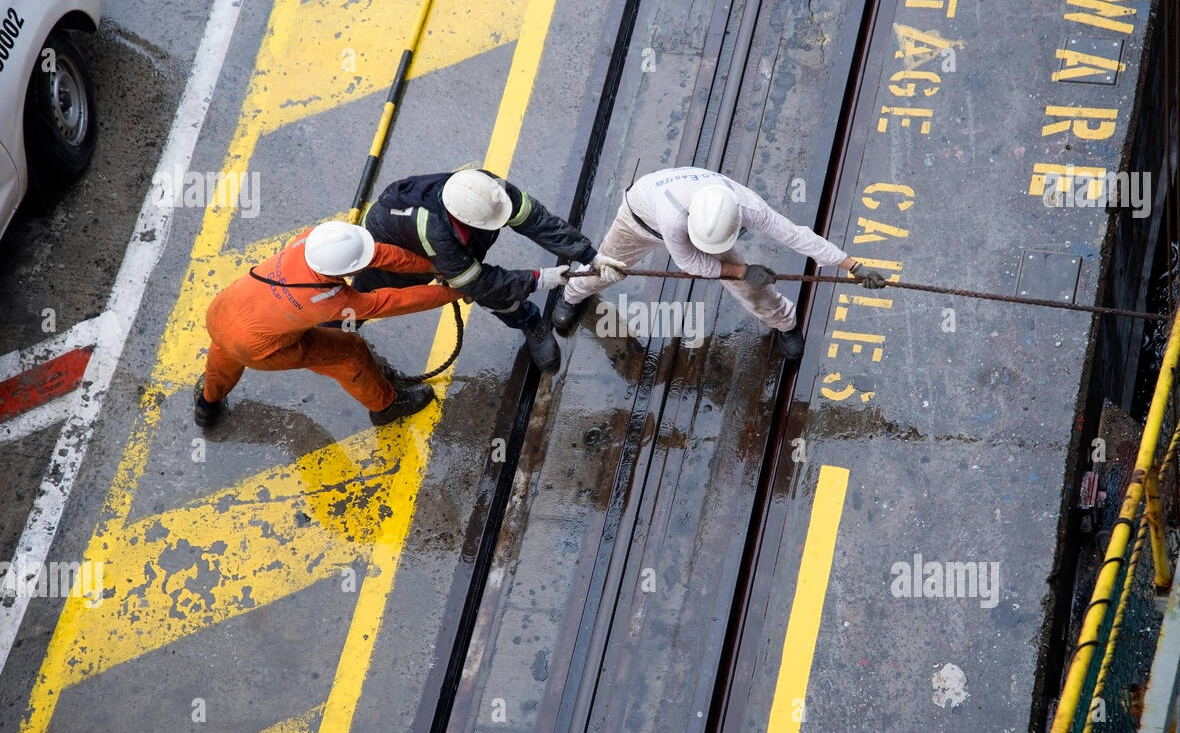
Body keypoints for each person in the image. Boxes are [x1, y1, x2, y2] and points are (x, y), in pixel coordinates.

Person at [552, 167, 877, 358]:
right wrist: (742, 269)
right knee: (606, 267)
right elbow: (692, 263)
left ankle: (785, 323)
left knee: (752, 290)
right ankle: (574, 294)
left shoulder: (748, 207)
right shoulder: (673, 218)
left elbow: (796, 235)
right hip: (639, 219)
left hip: (693, 222)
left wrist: (852, 266)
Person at [350, 169, 625, 372]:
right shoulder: (434, 230)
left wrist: (591, 256)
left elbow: (538, 221)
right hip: (391, 249)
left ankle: (529, 323)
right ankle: (339, 339)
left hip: (451, 241)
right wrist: (538, 279)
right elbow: (478, 283)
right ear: (466, 221)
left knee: (493, 290)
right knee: (359, 304)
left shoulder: (487, 190)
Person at [195, 221, 461, 428]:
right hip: (260, 350)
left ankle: (207, 403)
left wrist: (432, 268)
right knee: (350, 350)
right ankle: (386, 406)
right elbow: (391, 301)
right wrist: (456, 291)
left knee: (224, 349)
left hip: (221, 313)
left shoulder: (313, 240)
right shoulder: (327, 299)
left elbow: (373, 254)